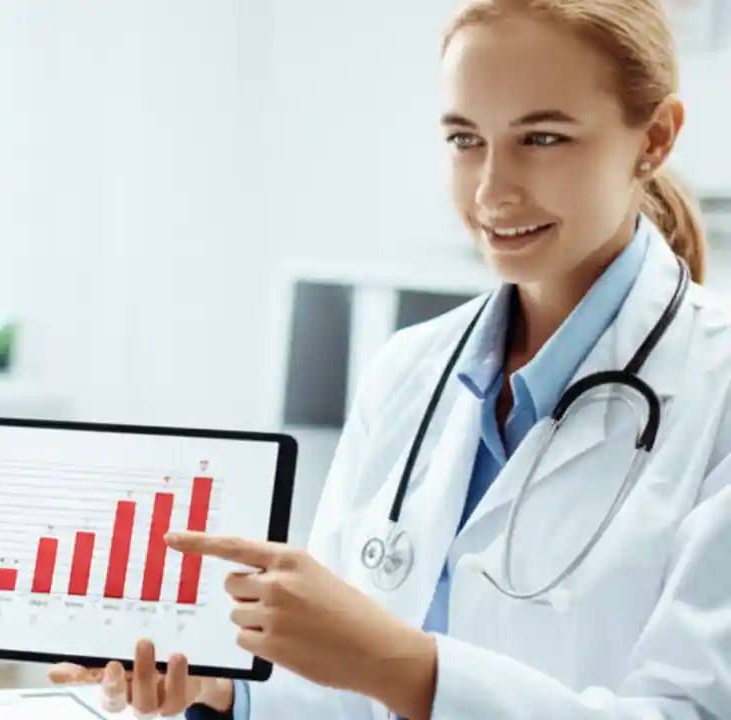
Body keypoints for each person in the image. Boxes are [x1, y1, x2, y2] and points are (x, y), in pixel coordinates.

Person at [51, 0, 731, 717]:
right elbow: (343, 692)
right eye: (466, 139)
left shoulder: (715, 390)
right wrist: (225, 692)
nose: (492, 190)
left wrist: (405, 665)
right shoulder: (407, 370)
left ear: (654, 137)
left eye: (543, 138)